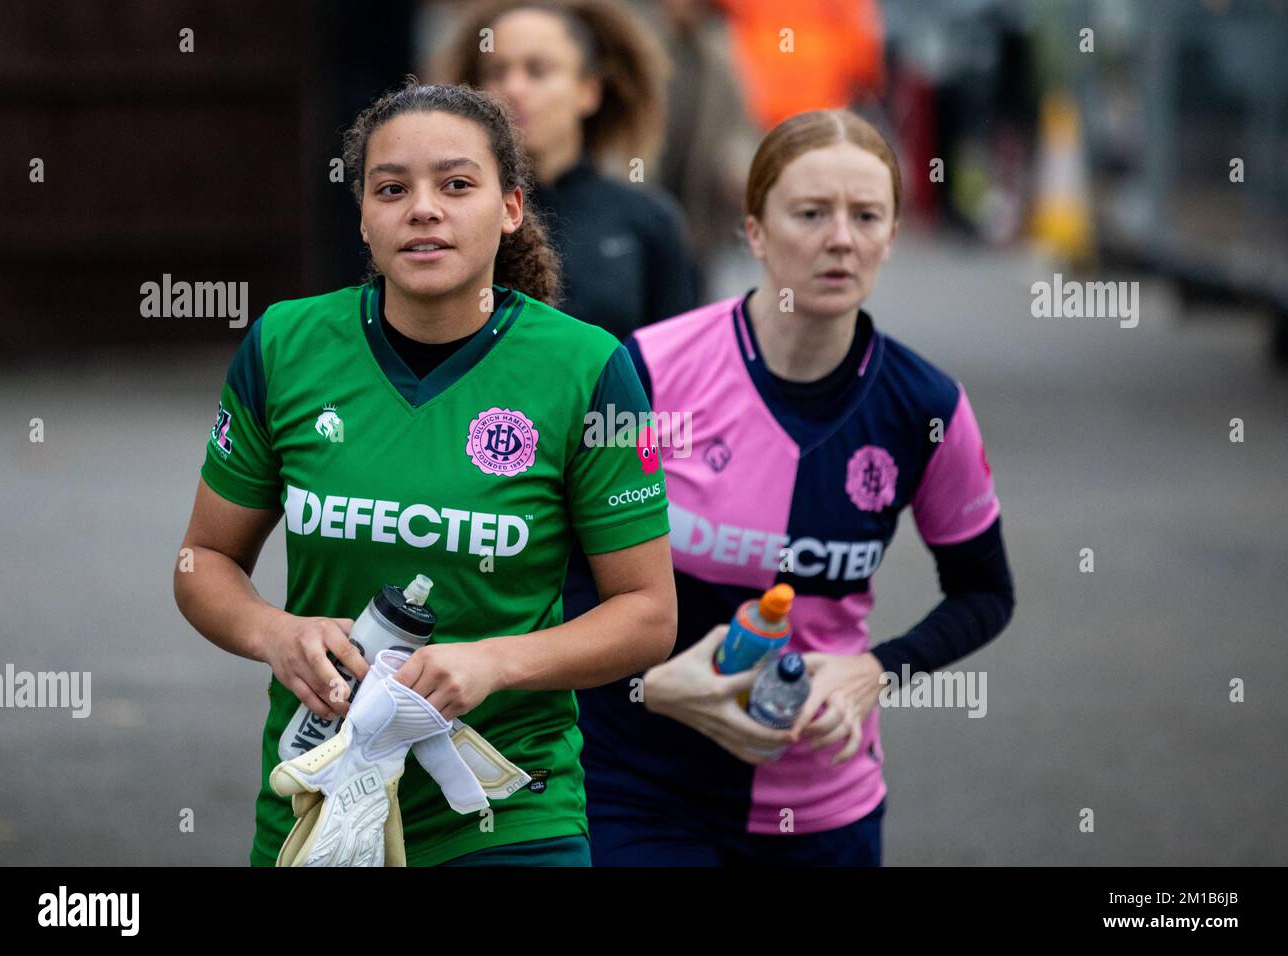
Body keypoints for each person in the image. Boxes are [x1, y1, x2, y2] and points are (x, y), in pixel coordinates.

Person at [173, 80, 676, 867]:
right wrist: (277, 634)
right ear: (365, 217)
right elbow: (203, 561)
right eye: (391, 188)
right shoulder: (285, 344)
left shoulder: (589, 368)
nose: (423, 208)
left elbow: (647, 612)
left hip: (513, 808)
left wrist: (494, 661)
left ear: (511, 208)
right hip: (321, 794)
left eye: (456, 184)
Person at [573, 109, 1016, 866]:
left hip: (819, 804)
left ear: (891, 237)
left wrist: (877, 668)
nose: (839, 237)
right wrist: (651, 682)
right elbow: (564, 565)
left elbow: (984, 592)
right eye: (810, 213)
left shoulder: (925, 407)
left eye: (866, 215)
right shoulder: (651, 368)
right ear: (755, 232)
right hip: (636, 785)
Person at [435, 0, 700, 339]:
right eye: (497, 72)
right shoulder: (447, 213)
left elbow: (679, 367)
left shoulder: (648, 220)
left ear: (588, 90)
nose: (513, 89)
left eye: (537, 70)